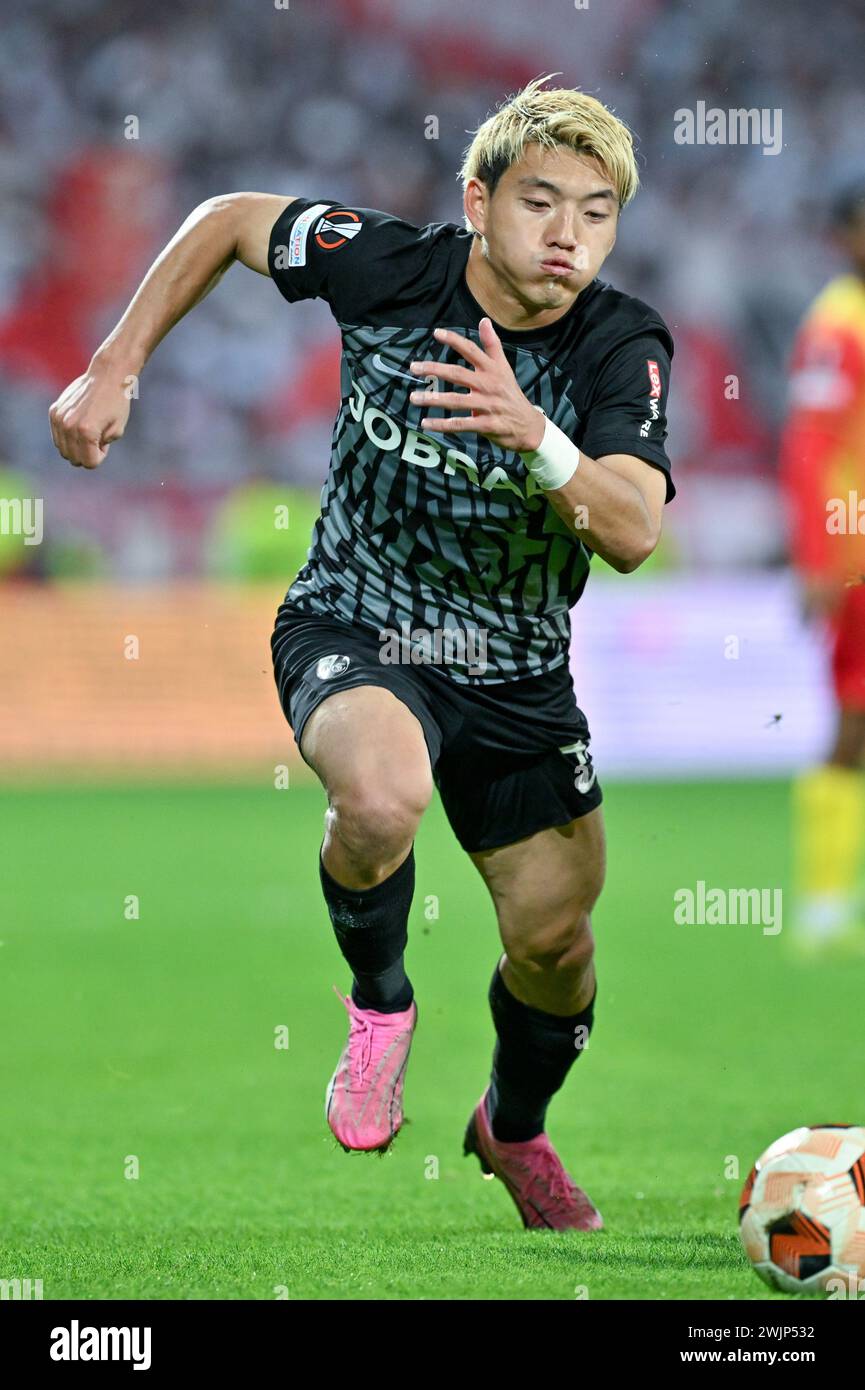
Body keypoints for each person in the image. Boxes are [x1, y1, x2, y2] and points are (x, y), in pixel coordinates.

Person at [49, 75, 675, 1231]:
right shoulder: (386, 265)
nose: (567, 235)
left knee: (556, 947)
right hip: (356, 616)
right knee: (380, 800)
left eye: (595, 213)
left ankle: (512, 1127)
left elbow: (633, 530)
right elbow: (233, 217)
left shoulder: (619, 344)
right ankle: (380, 1008)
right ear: (478, 202)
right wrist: (117, 361)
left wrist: (534, 433)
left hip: (516, 674)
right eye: (541, 202)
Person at [780, 182, 865, 956]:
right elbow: (810, 449)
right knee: (851, 723)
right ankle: (823, 904)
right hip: (856, 558)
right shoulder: (838, 323)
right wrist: (816, 556)